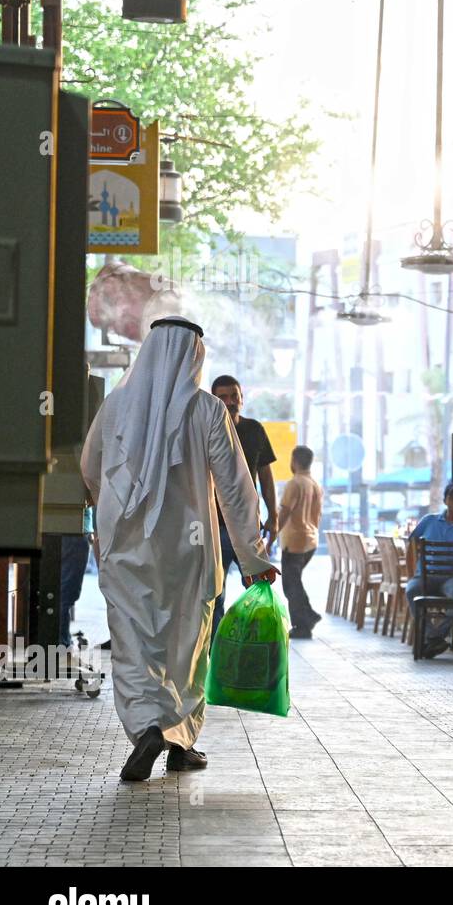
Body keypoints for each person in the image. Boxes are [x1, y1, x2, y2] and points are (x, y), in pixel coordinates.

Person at [80, 317, 276, 782]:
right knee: (187, 646)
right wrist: (251, 556)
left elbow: (91, 467)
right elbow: (234, 486)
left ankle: (148, 728)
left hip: (128, 552)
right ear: (193, 355)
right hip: (189, 552)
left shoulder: (116, 406)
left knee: (133, 645)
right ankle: (178, 735)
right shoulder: (207, 410)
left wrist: (105, 522)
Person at [210, 375, 279, 630]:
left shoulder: (254, 430)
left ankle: (254, 640)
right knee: (214, 593)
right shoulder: (205, 430)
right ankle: (216, 648)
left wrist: (274, 515)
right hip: (213, 526)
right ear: (214, 400)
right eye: (223, 397)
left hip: (247, 525)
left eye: (234, 396)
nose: (229, 402)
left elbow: (266, 475)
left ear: (242, 398)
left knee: (258, 587)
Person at [404, 483, 453, 658]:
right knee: (411, 590)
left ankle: (434, 637)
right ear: (445, 501)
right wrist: (411, 574)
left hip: (452, 578)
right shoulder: (429, 521)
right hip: (425, 577)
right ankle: (434, 638)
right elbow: (411, 544)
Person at [278, 445, 323, 639]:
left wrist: (272, 533)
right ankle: (307, 616)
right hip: (310, 540)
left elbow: (285, 511)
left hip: (294, 540)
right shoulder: (315, 484)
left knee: (290, 584)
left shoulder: (295, 483)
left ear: (294, 461)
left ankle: (304, 622)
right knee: (294, 582)